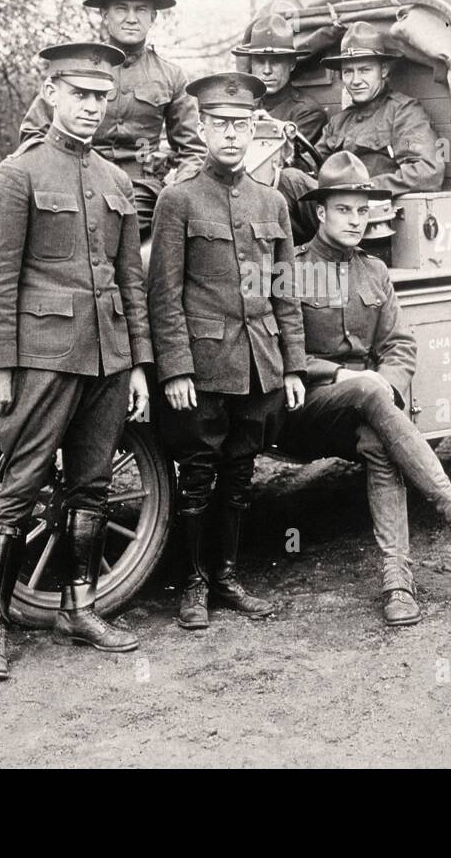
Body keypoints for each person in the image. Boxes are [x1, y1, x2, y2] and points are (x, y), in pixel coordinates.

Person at [0, 42, 154, 680]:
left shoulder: (116, 181)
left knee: (92, 486)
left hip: (108, 356)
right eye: (80, 95)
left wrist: (136, 364)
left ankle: (80, 606)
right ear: (51, 93)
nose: (91, 110)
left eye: (102, 98)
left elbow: (131, 279)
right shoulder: (17, 174)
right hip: (44, 358)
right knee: (19, 487)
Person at [276, 152, 451, 626]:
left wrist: (386, 383)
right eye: (344, 210)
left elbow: (399, 346)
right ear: (320, 213)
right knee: (369, 393)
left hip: (367, 405)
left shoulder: (374, 272)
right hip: (307, 407)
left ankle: (398, 583)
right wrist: (343, 376)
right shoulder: (292, 269)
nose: (356, 220)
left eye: (363, 211)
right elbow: (281, 349)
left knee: (379, 440)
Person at [148, 72, 307, 630]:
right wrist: (175, 368)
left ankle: (228, 578)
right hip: (203, 366)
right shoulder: (178, 200)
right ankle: (192, 584)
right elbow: (163, 294)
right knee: (197, 476)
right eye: (220, 125)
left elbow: (286, 290)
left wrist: (293, 364)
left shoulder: (273, 203)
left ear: (255, 132)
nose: (232, 136)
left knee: (241, 474)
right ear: (203, 128)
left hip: (259, 364)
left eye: (242, 126)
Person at [19, 0, 206, 234]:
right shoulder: (76, 67)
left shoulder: (172, 76)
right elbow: (32, 133)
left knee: (112, 226)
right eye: (121, 9)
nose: (131, 18)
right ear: (105, 15)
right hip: (73, 179)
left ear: (153, 17)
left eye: (141, 9)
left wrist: (177, 190)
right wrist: (54, 174)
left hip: (139, 189)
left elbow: (193, 151)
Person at [314, 21, 444, 196]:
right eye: (348, 72)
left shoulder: (403, 112)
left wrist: (364, 188)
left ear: (383, 71)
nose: (355, 80)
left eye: (364, 70)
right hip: (336, 209)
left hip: (378, 210)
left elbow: (426, 172)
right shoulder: (338, 123)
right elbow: (311, 164)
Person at [232, 12, 326, 244]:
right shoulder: (243, 109)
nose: (266, 70)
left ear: (291, 64)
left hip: (287, 209)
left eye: (275, 62)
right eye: (259, 62)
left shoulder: (306, 112)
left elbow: (289, 170)